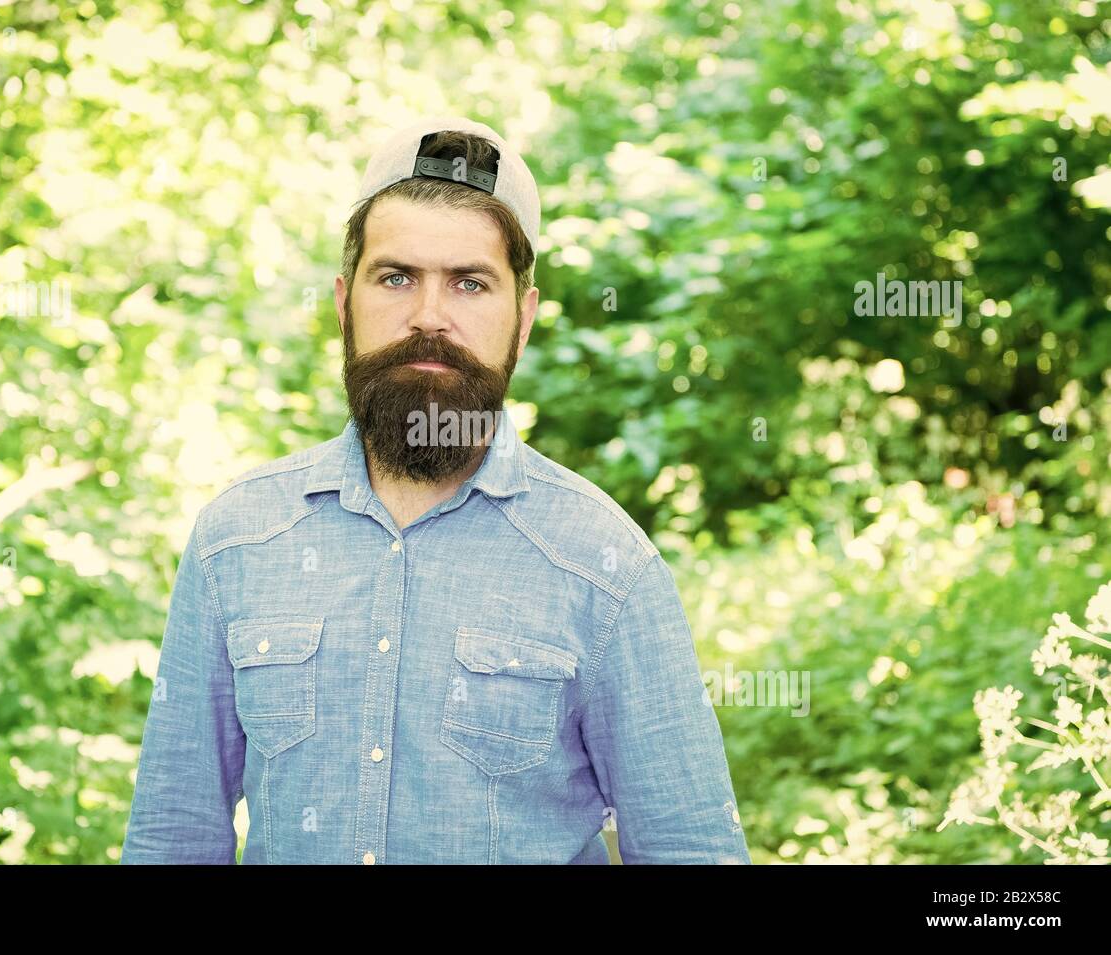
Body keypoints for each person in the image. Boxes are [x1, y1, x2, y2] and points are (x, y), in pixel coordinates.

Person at [120, 116, 751, 864]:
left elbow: (690, 849)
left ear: (523, 319)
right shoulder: (236, 539)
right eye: (395, 277)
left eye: (469, 283)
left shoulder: (607, 565)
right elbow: (173, 835)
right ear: (343, 304)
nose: (429, 316)